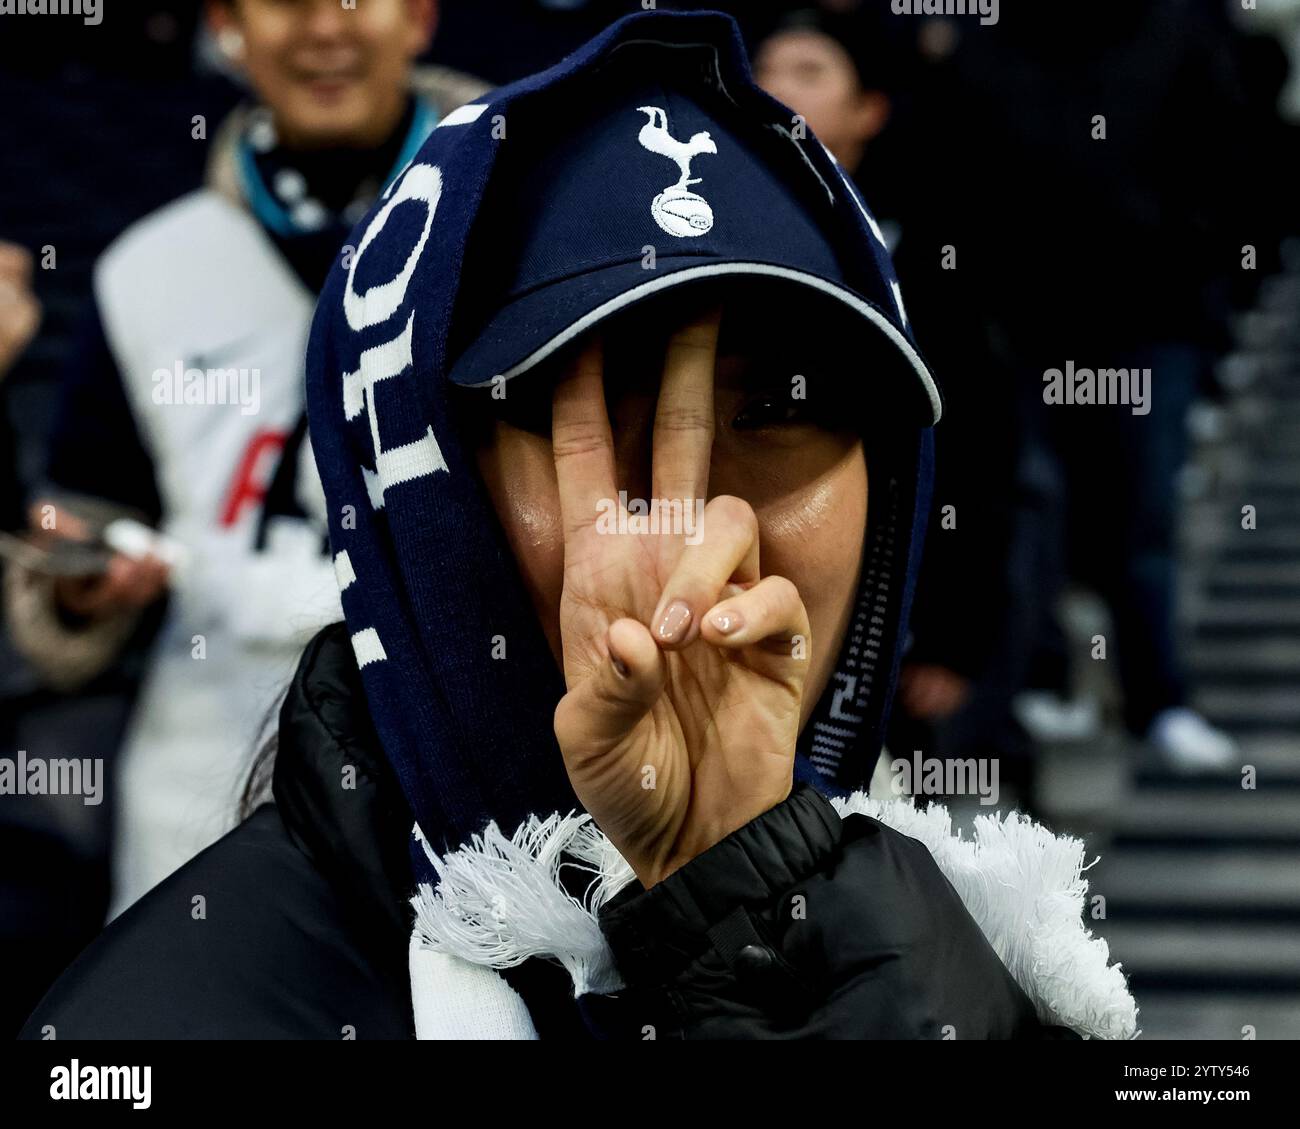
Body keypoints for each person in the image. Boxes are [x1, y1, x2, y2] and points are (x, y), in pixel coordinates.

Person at [20, 10, 1135, 1041]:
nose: (694, 536)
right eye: (575, 419)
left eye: (779, 411)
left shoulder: (978, 952)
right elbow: (86, 502)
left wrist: (754, 898)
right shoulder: (164, 1023)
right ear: (425, 491)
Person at [3, 0, 488, 917]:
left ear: (421, 15)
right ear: (228, 24)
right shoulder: (148, 266)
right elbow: (86, 518)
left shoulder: (518, 225)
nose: (325, 28)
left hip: (474, 785)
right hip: (206, 788)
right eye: (285, 0)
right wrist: (80, 583)